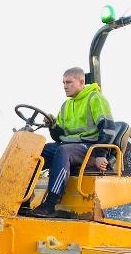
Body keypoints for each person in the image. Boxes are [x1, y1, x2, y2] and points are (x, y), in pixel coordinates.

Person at [31, 67, 115, 218]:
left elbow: (108, 129)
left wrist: (100, 154)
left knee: (64, 151)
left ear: (81, 82)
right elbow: (60, 137)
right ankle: (22, 197)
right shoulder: (66, 106)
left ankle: (51, 203)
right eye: (63, 82)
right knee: (38, 151)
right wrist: (53, 126)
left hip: (90, 146)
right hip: (71, 146)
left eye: (69, 82)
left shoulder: (95, 99)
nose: (65, 86)